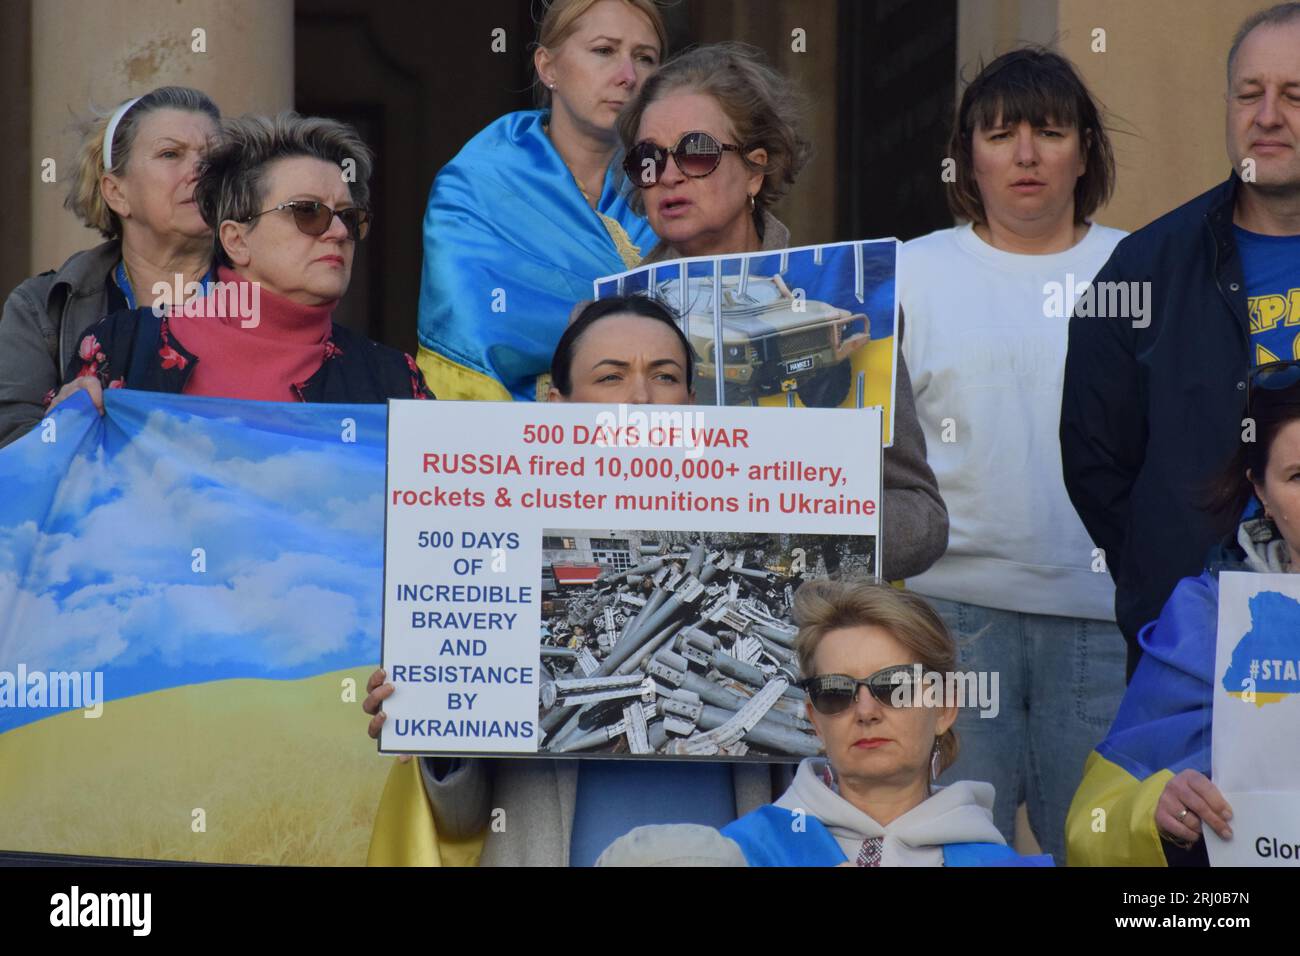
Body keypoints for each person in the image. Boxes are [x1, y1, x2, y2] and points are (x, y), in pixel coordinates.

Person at [366, 295, 785, 867]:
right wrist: (432, 716)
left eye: (664, 376)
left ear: (692, 401)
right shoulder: (486, 537)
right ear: (556, 405)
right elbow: (462, 818)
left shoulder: (767, 519)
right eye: (611, 377)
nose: (640, 399)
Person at [898, 48, 1128, 863]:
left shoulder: (1144, 267)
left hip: (1108, 623)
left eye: (1050, 132)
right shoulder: (908, 274)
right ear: (968, 157)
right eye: (1000, 135)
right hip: (948, 620)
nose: (1026, 155)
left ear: (1085, 151)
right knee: (955, 854)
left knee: (1110, 857)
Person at [617, 42, 948, 581]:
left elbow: (919, 518)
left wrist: (786, 540)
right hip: (657, 629)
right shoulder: (601, 322)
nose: (669, 175)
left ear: (756, 169)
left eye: (695, 151)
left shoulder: (845, 303)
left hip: (806, 639)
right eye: (648, 160)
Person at [1061, 2, 1300, 676]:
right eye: (1250, 93)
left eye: (1294, 95)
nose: (1267, 115)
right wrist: (1164, 570)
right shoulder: (1145, 269)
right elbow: (1096, 462)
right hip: (1196, 644)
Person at [1065, 361, 1300, 866]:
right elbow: (1090, 826)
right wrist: (1155, 808)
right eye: (1298, 476)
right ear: (1260, 491)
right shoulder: (1206, 618)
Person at [66, 112, 431, 404]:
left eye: (349, 217)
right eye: (308, 212)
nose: (337, 232)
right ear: (236, 240)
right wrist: (62, 427)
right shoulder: (122, 346)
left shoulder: (394, 379)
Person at [416, 0, 665, 402]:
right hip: (511, 446)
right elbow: (469, 337)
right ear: (548, 67)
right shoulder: (477, 186)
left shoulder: (678, 183)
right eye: (604, 51)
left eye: (645, 58)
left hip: (662, 443)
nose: (628, 75)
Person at [719, 580, 1052, 866]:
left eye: (896, 687)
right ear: (815, 720)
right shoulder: (740, 851)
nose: (866, 711)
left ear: (944, 709)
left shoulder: (997, 862)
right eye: (835, 691)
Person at [0, 86, 220, 446]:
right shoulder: (43, 306)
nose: (200, 170)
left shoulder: (272, 292)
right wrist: (62, 424)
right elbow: (9, 440)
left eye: (214, 157)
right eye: (170, 154)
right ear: (116, 192)